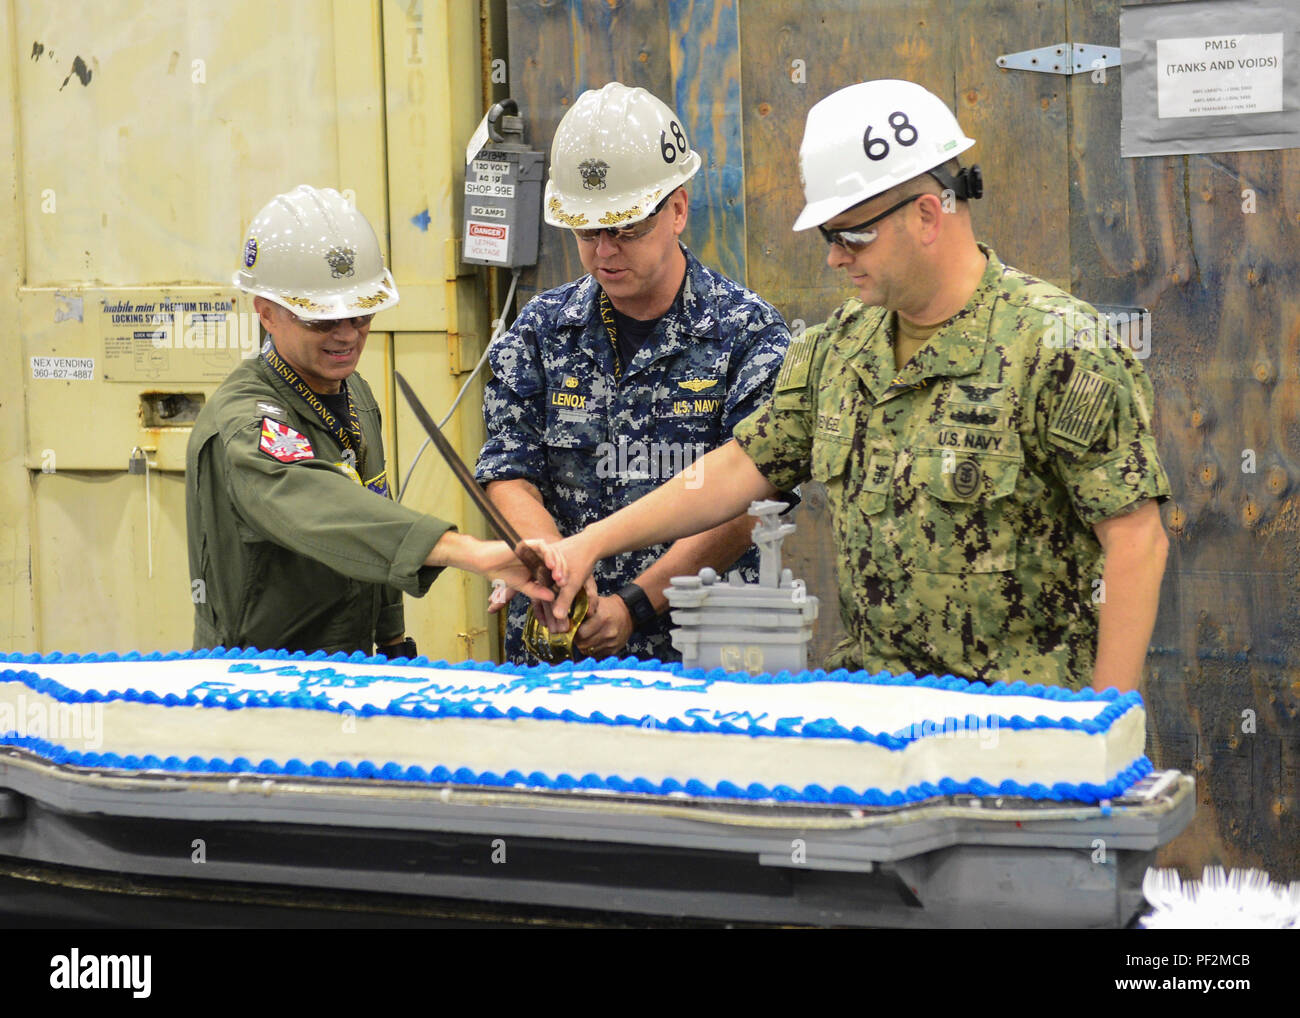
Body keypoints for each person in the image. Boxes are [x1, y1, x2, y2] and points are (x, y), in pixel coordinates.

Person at [543, 80, 1171, 693]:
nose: (834, 258)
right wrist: (588, 546)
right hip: (876, 716)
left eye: (851, 235)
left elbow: (1135, 539)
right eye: (828, 237)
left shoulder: (1059, 347)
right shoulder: (840, 348)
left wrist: (1103, 722)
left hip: (1020, 728)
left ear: (928, 214)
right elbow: (739, 468)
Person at [475, 82, 791, 663]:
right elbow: (508, 470)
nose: (604, 251)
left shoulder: (750, 335)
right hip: (558, 650)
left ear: (677, 209)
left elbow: (755, 497)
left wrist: (635, 604)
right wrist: (547, 557)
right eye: (587, 232)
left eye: (625, 229)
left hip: (701, 654)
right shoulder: (541, 331)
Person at [187, 184, 561, 656]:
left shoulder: (352, 392)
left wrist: (390, 637)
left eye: (362, 315)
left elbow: (375, 505)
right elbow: (325, 507)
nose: (347, 336)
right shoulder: (244, 424)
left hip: (350, 663)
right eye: (322, 319)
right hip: (262, 679)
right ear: (266, 312)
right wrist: (471, 552)